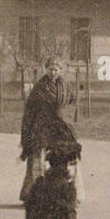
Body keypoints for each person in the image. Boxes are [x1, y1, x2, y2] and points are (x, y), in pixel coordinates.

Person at [19, 57, 83, 204]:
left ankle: (71, 194)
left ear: (60, 70)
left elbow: (73, 103)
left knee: (67, 158)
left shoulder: (66, 86)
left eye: (56, 69)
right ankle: (34, 196)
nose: (53, 72)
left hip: (61, 128)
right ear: (46, 69)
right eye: (50, 69)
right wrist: (29, 130)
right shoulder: (39, 87)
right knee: (38, 161)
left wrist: (65, 117)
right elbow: (30, 109)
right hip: (42, 128)